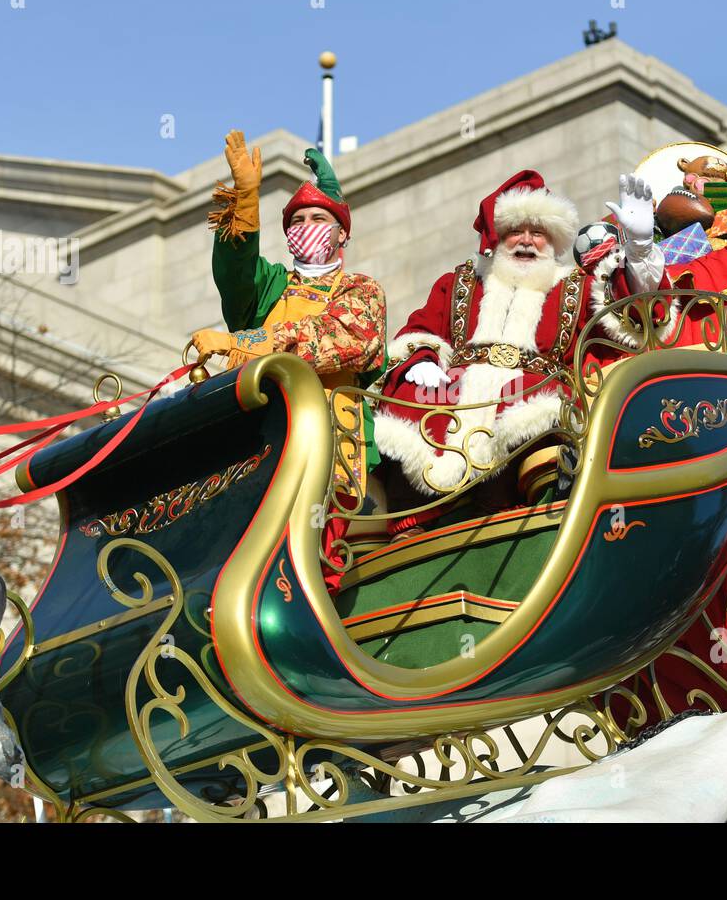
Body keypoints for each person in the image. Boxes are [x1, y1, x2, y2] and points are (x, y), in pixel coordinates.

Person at [373, 170, 671, 534]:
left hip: (532, 393)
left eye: (539, 233)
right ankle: (412, 523)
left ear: (554, 240)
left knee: (536, 414)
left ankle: (522, 515)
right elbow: (420, 328)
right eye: (517, 230)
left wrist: (640, 250)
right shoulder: (461, 281)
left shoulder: (578, 288)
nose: (527, 241)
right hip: (454, 389)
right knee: (410, 397)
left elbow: (635, 320)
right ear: (499, 236)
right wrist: (423, 357)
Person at [191, 130, 386, 588]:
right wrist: (244, 199)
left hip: (329, 453)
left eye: (319, 218)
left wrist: (249, 344)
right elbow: (235, 275)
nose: (306, 227)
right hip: (260, 447)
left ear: (342, 234)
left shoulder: (361, 289)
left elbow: (347, 339)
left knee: (312, 570)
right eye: (296, 221)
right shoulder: (270, 287)